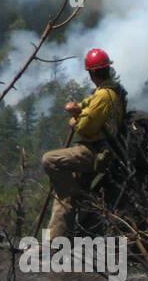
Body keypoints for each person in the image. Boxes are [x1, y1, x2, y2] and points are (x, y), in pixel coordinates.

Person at [41, 48, 127, 240]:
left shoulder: (104, 95)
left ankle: (76, 196)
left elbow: (85, 128)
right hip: (103, 150)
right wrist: (78, 107)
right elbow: (89, 105)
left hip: (95, 151)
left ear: (91, 73)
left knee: (50, 160)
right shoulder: (111, 91)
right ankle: (56, 241)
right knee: (63, 197)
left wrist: (75, 122)